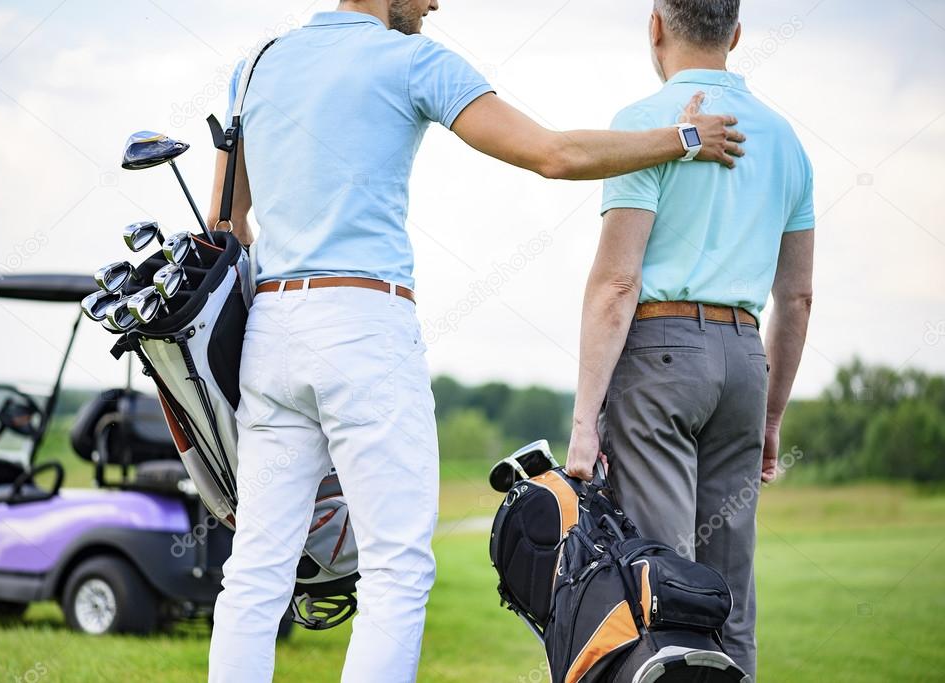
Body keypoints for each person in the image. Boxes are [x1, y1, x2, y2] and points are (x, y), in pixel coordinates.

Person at [206, 1, 745, 681]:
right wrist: (685, 138)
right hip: (363, 325)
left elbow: (226, 220)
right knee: (395, 569)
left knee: (254, 571)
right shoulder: (412, 61)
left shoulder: (257, 66)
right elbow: (553, 154)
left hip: (271, 330)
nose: (433, 4)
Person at [564, 0, 815, 679]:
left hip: (658, 356)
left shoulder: (644, 125)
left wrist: (584, 421)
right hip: (744, 361)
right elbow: (794, 297)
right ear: (734, 33)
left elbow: (616, 283)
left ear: (654, 26)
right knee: (729, 597)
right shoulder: (786, 140)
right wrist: (769, 415)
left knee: (658, 581)